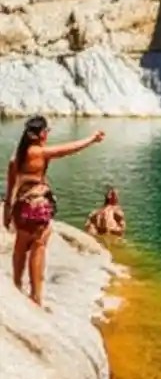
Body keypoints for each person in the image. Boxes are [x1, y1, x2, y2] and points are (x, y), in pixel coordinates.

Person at [3, 118, 106, 307]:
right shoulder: (41, 153)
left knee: (20, 245)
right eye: (46, 131)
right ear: (41, 134)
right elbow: (70, 148)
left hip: (20, 209)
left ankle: (17, 285)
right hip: (37, 208)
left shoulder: (15, 158)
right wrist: (92, 139)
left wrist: (6, 215)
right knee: (38, 247)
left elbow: (9, 192)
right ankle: (36, 295)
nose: (47, 135)